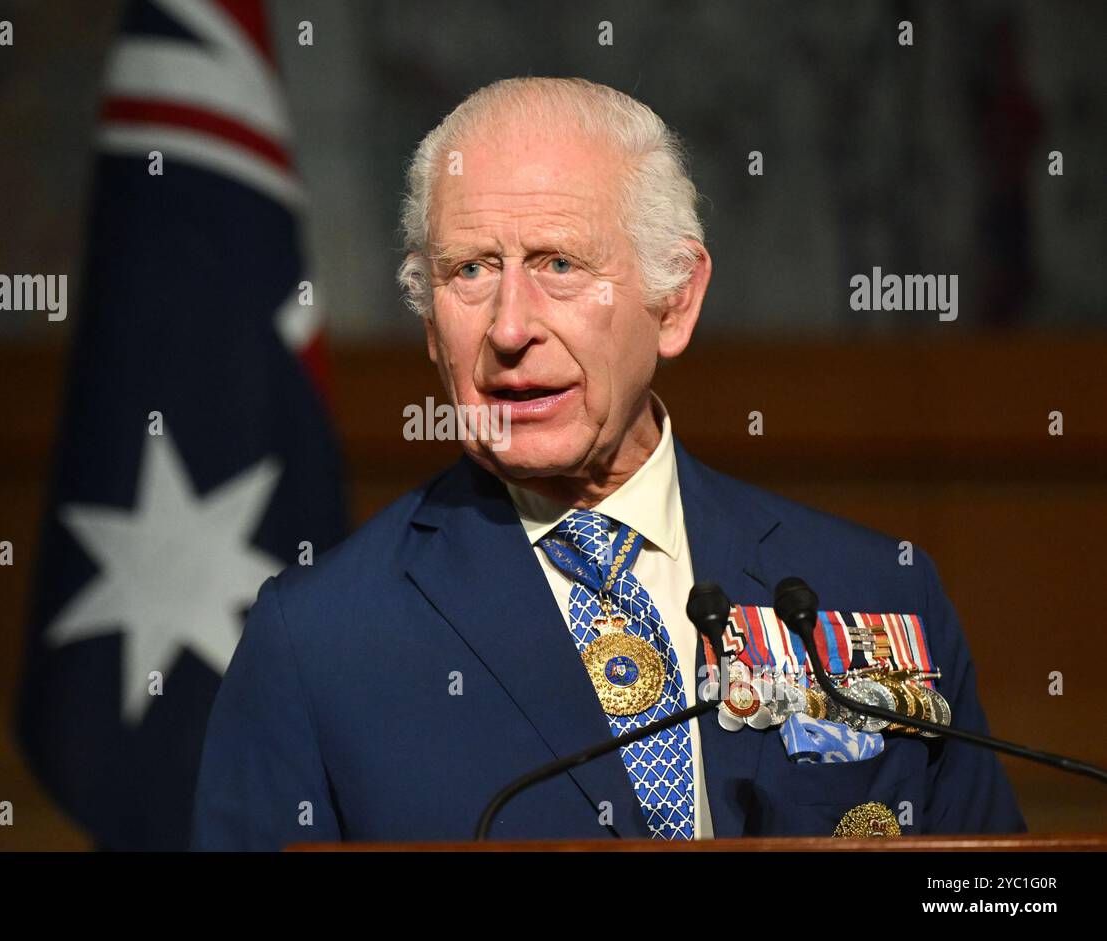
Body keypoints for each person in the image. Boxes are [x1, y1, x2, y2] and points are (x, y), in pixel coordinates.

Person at [192, 77, 1025, 849]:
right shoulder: (319, 640)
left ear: (675, 300)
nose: (510, 326)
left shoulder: (877, 591)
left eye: (559, 263)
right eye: (470, 270)